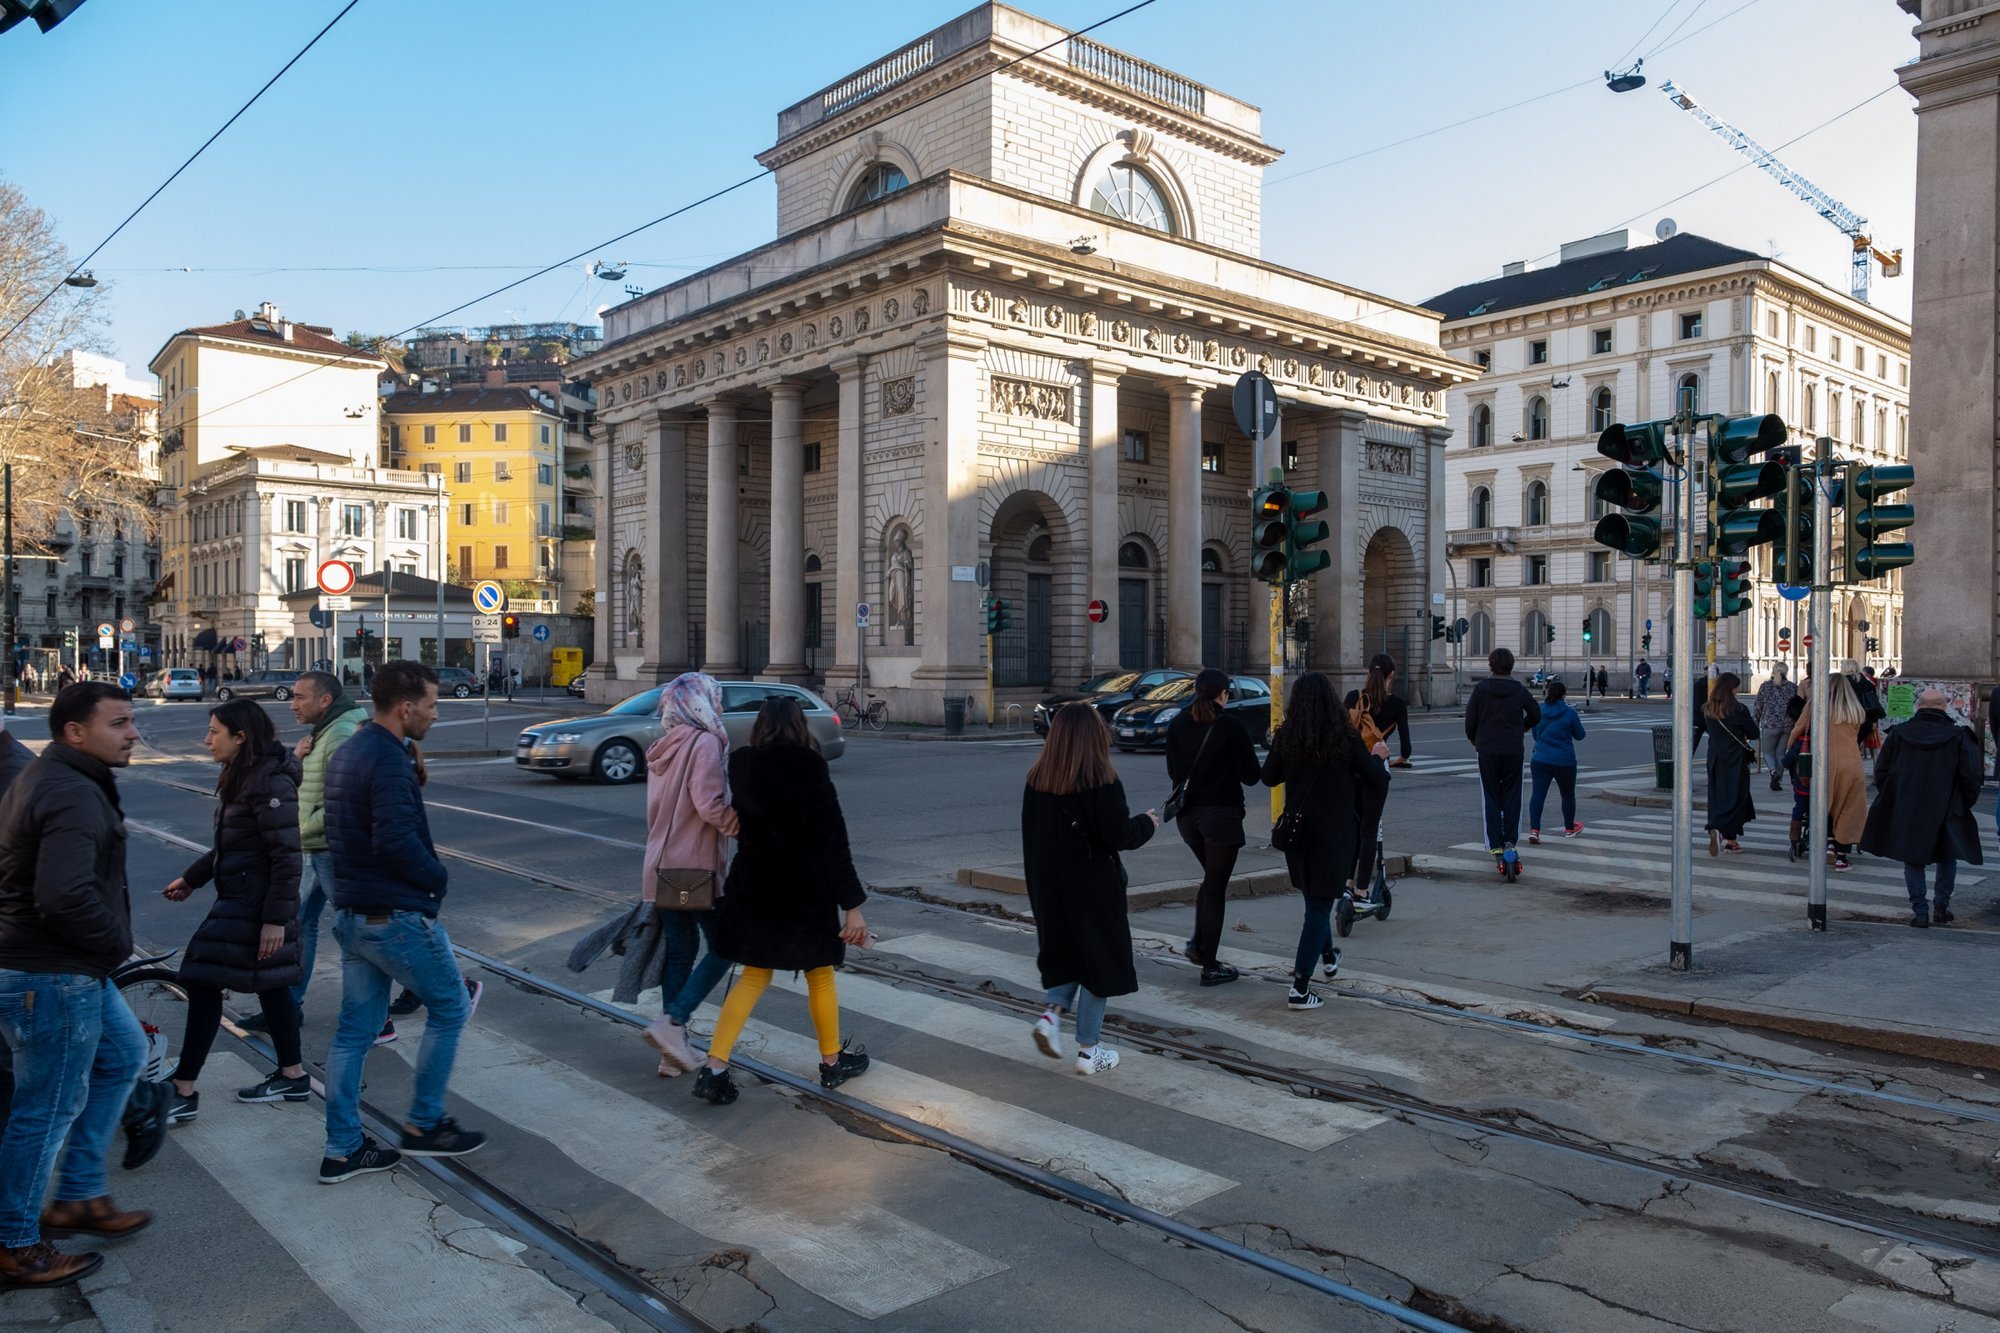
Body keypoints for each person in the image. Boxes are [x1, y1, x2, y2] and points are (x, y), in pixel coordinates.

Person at [0, 683, 149, 1289]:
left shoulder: (58, 777)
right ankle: (14, 1244)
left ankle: (81, 1195)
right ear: (74, 732)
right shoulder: (69, 792)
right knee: (48, 1106)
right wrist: (114, 945)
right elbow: (62, 895)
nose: (133, 733)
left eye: (132, 721)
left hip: (57, 966)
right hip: (53, 972)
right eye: (118, 723)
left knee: (125, 1055)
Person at [319, 662, 486, 1184]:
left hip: (352, 913)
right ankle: (424, 1124)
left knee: (353, 1034)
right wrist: (436, 879)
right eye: (433, 705)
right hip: (393, 915)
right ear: (406, 707)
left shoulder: (350, 751)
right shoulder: (387, 761)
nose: (437, 715)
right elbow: (394, 840)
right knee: (452, 1005)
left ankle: (342, 1148)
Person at [697, 697, 870, 1104]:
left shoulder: (742, 764)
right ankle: (831, 1064)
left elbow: (740, 823)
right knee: (820, 973)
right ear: (799, 726)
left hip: (755, 884)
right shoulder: (809, 767)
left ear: (760, 726)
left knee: (754, 976)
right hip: (804, 890)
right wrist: (853, 905)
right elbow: (832, 839)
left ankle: (714, 1067)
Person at [159, 700, 307, 1123]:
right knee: (271, 982)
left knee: (202, 977)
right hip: (245, 899)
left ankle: (184, 1088)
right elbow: (232, 845)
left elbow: (287, 856)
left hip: (254, 902)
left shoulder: (268, 785)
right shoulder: (244, 778)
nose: (207, 740)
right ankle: (292, 1075)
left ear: (240, 736)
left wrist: (274, 920)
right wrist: (192, 878)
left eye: (214, 732)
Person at [235, 672, 371, 1041]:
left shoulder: (341, 732)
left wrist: (309, 824)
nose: (292, 704)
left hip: (328, 846)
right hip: (314, 845)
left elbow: (349, 796)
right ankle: (288, 1007)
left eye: (299, 697)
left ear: (324, 701)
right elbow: (314, 782)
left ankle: (419, 989)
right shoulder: (328, 728)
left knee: (358, 930)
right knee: (301, 924)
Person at [1021, 703, 1156, 1071]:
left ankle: (1050, 1018)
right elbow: (1118, 835)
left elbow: (1031, 837)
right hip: (1093, 887)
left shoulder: (1037, 779)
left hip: (1048, 885)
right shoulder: (1102, 781)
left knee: (1066, 956)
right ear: (1094, 736)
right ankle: (1088, 1051)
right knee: (1100, 963)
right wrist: (1147, 822)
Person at [1263, 673, 1388, 1009]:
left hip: (1298, 835)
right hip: (1334, 836)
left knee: (1314, 902)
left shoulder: (1288, 735)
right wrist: (1377, 753)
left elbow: (1268, 777)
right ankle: (1300, 989)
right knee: (1317, 909)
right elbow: (1375, 779)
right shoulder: (1344, 737)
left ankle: (1330, 956)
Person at [639, 673, 740, 1076]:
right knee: (726, 946)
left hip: (659, 867)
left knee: (680, 953)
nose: (720, 707)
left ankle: (671, 1051)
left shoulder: (664, 744)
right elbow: (709, 803)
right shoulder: (705, 742)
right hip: (694, 868)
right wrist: (740, 824)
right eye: (716, 699)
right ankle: (673, 1022)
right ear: (703, 703)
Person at [1164, 668, 1260, 986]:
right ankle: (1210, 965)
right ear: (1222, 694)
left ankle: (1197, 943)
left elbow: (1173, 771)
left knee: (1211, 880)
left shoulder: (1177, 723)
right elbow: (1250, 775)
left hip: (1187, 818)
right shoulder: (1231, 725)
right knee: (1216, 887)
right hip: (1221, 818)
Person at [1861, 689, 1983, 927]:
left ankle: (1920, 911)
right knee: (1948, 856)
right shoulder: (1958, 736)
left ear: (1918, 707)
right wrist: (1963, 803)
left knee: (1912, 858)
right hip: (1947, 805)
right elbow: (1971, 776)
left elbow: (1882, 772)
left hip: (1909, 804)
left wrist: (1894, 797)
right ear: (1944, 707)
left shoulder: (1899, 734)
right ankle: (1941, 906)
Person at [1464, 647, 1540, 874]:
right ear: (1512, 665)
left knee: (1491, 796)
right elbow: (1536, 714)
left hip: (1487, 749)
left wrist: (1475, 739)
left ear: (1490, 664)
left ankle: (1495, 844)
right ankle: (1510, 841)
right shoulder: (1519, 690)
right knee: (1512, 795)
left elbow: (1470, 719)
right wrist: (1521, 728)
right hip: (1513, 749)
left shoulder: (1481, 689)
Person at [1342, 654, 1408, 903]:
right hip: (1376, 770)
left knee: (1353, 829)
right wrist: (1395, 759)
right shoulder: (1397, 705)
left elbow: (1343, 732)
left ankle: (1347, 884)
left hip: (1350, 770)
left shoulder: (1352, 697)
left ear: (1368, 672)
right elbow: (1407, 747)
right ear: (1391, 676)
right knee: (1369, 832)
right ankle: (1362, 891)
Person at [1790, 674, 1870, 869]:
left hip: (1822, 761)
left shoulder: (1814, 706)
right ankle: (1842, 857)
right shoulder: (1856, 709)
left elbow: (1798, 729)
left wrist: (1791, 749)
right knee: (1848, 808)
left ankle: (1830, 844)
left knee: (1823, 804)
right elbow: (1858, 734)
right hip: (1851, 763)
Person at [1701, 673, 1759, 855]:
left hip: (1715, 758)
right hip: (1735, 758)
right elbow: (1754, 732)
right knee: (1736, 796)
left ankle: (1731, 840)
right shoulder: (1738, 709)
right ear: (1731, 689)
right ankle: (1719, 831)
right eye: (1735, 687)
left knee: (1717, 795)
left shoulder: (1708, 709)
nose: (1737, 690)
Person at [1527, 679, 1585, 844]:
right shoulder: (1570, 713)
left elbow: (1535, 734)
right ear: (1564, 696)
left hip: (1540, 759)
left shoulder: (1539, 710)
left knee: (1538, 794)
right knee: (1567, 795)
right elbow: (1580, 735)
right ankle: (1569, 828)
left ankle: (1534, 830)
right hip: (1564, 761)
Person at [1751, 665, 1797, 793]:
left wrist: (1755, 722)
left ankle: (1773, 772)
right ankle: (1779, 780)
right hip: (1787, 724)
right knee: (1781, 753)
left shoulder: (1765, 687)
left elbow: (1758, 706)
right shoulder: (1792, 687)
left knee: (1768, 753)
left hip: (1769, 725)